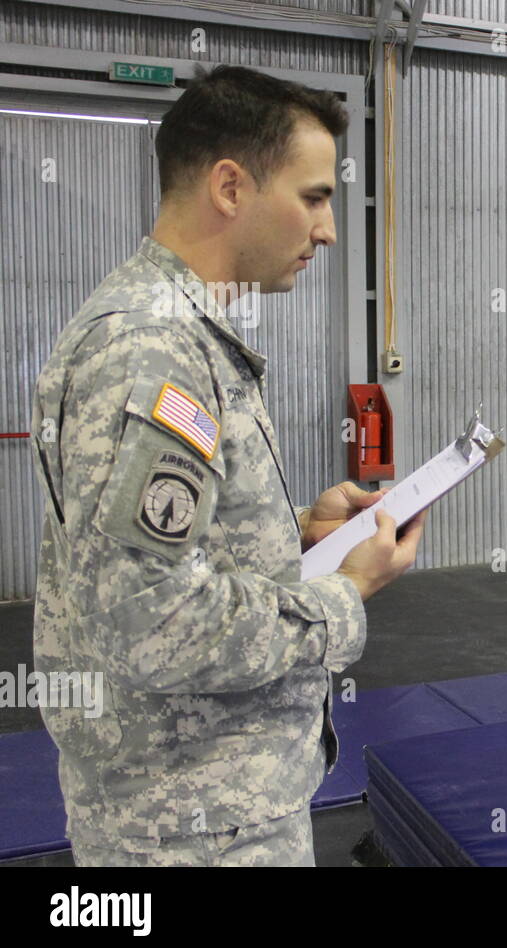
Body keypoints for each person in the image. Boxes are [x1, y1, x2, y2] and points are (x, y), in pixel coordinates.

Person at [28, 65, 425, 866]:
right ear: (231, 186)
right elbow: (154, 624)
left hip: (207, 809)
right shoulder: (153, 349)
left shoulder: (177, 331)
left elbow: (167, 557)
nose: (330, 229)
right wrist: (344, 599)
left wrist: (300, 535)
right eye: (314, 196)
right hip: (193, 829)